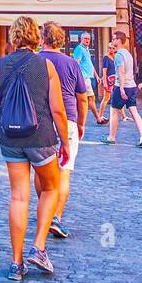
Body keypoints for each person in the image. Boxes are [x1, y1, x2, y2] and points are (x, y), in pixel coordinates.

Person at [0, 16, 70, 282]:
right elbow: (57, 110)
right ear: (35, 36)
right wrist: (65, 142)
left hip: (11, 137)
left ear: (13, 37)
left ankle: (16, 263)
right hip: (41, 137)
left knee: (18, 197)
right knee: (51, 188)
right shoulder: (45, 65)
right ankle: (39, 247)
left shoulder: (0, 64)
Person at [37, 22, 89, 239]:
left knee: (41, 169)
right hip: (67, 119)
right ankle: (56, 216)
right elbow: (82, 98)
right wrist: (81, 123)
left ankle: (45, 211)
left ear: (42, 39)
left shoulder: (36, 60)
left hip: (40, 121)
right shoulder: (71, 63)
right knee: (64, 171)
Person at [105, 31, 142, 147]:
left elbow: (121, 72)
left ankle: (111, 137)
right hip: (132, 86)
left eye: (114, 39)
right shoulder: (128, 54)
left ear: (119, 40)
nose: (113, 41)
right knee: (134, 112)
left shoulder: (119, 55)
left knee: (114, 111)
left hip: (121, 86)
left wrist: (122, 89)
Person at [70, 33, 104, 124]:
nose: (87, 40)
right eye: (85, 38)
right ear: (81, 39)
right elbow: (76, 64)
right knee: (88, 99)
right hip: (83, 78)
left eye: (88, 39)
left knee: (86, 99)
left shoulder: (86, 49)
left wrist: (97, 76)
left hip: (87, 78)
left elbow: (90, 64)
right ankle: (96, 118)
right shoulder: (79, 49)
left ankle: (97, 118)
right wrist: (77, 78)